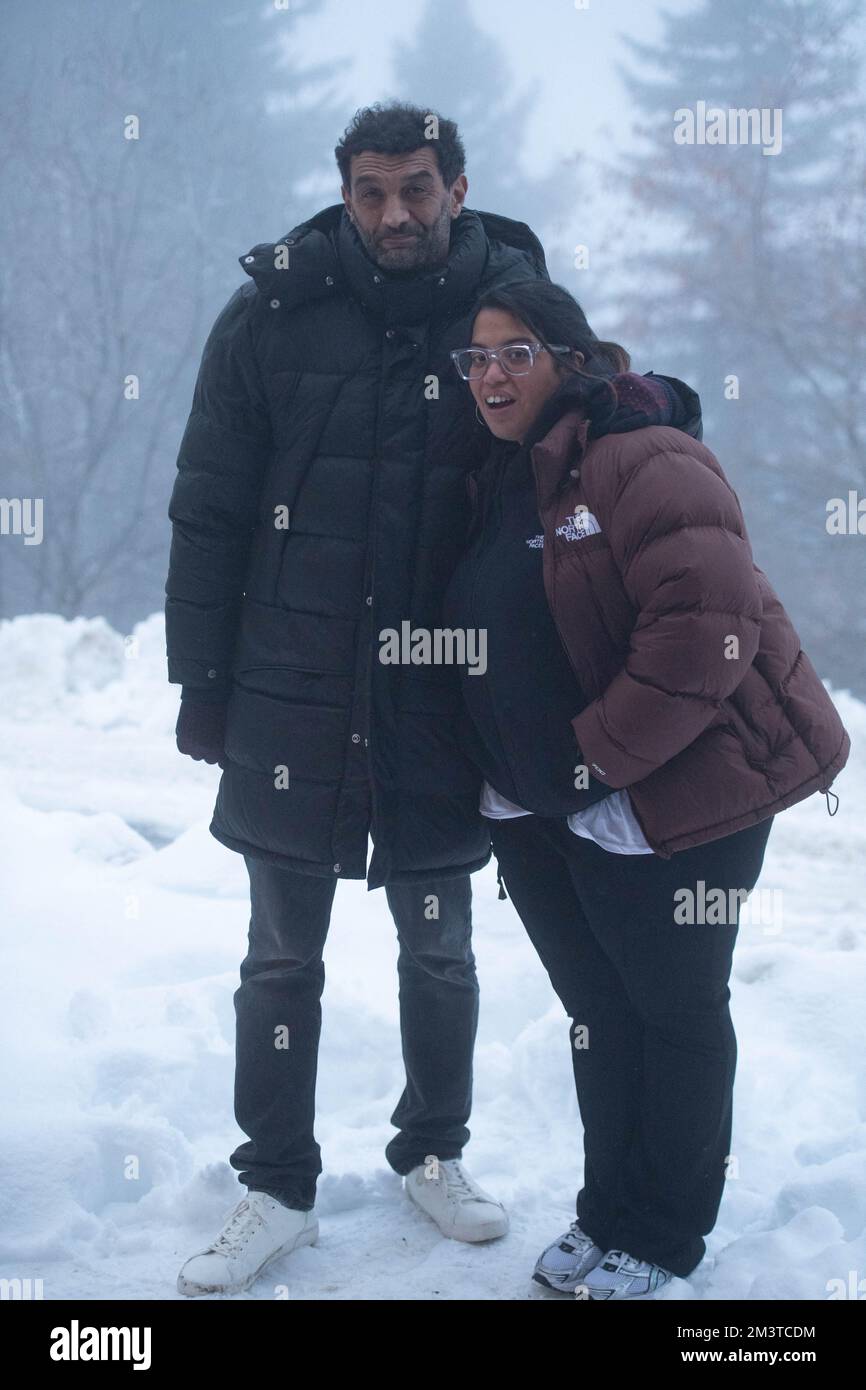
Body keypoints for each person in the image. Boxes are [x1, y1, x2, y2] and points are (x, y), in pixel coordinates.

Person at [166, 102, 552, 1296]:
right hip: (291, 686)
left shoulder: (508, 316)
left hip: (441, 698)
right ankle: (275, 1183)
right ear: (344, 194)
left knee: (439, 949)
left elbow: (569, 473)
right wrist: (203, 681)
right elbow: (209, 506)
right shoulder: (270, 315)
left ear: (457, 186)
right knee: (280, 958)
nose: (395, 212)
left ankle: (432, 1151)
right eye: (372, 190)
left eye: (418, 188)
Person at [441, 279, 851, 1300]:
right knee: (595, 1010)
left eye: (514, 352)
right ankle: (606, 1208)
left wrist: (592, 767)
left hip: (670, 802)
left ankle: (664, 1233)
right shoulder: (499, 476)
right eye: (475, 358)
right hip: (544, 809)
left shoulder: (643, 456)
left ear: (570, 359)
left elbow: (703, 635)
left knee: (671, 1009)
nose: (490, 374)